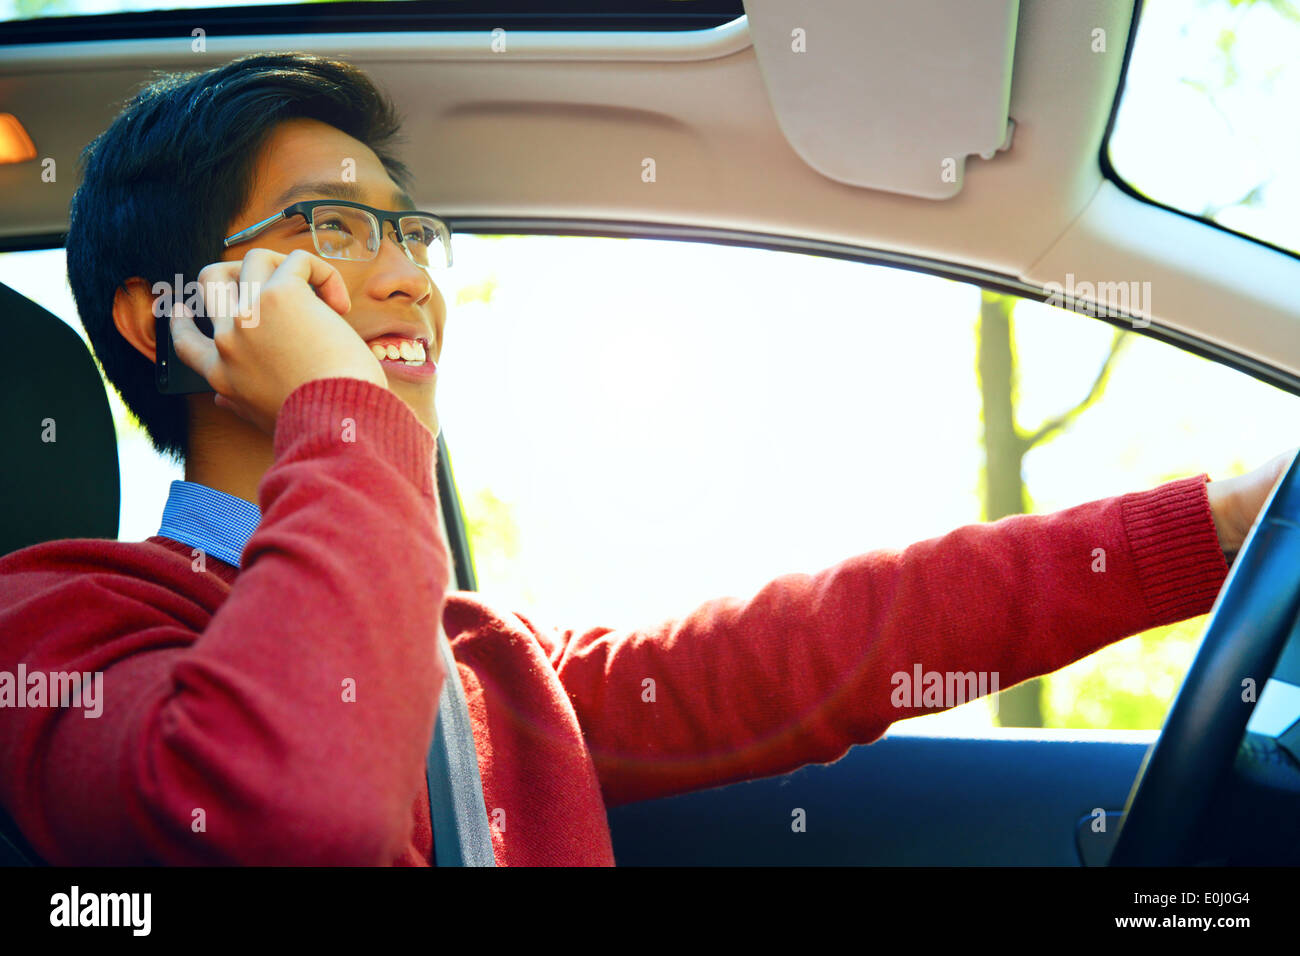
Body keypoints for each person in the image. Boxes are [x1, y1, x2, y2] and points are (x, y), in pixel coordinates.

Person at [0, 52, 1290, 866]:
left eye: (415, 233)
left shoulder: (486, 668)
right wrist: (341, 398)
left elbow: (822, 643)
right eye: (334, 226)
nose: (407, 278)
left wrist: (1218, 525)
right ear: (168, 314)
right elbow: (298, 807)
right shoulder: (56, 629)